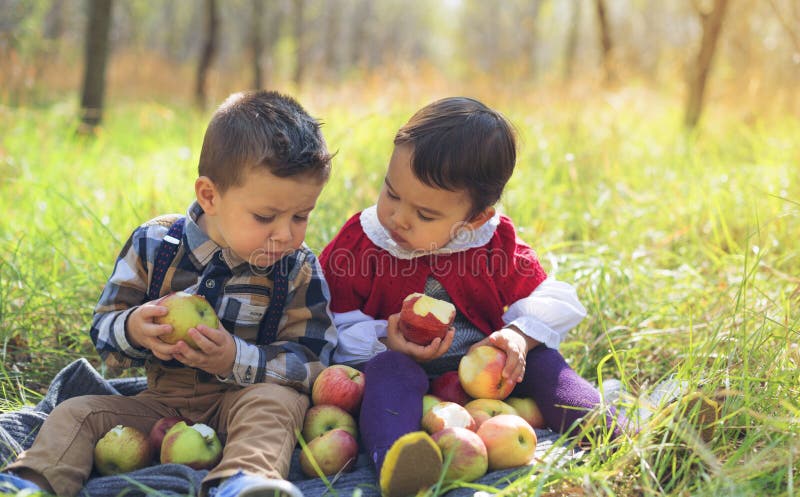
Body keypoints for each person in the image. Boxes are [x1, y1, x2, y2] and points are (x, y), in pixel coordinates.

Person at [0, 90, 337, 497]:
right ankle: (33, 482)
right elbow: (104, 331)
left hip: (241, 401)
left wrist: (236, 357)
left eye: (301, 216)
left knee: (277, 405)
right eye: (265, 217)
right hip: (160, 404)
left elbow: (317, 360)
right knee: (76, 412)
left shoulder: (296, 267)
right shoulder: (155, 244)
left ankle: (244, 481)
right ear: (209, 196)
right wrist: (135, 329)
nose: (286, 233)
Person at [319, 97, 622, 497]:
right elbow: (332, 318)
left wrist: (518, 334)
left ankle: (611, 432)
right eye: (391, 193)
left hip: (490, 384)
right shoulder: (364, 242)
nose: (398, 217)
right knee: (390, 373)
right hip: (405, 376)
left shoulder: (492, 242)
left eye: (425, 215)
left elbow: (552, 297)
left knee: (543, 360)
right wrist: (384, 342)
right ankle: (399, 460)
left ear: (474, 219)